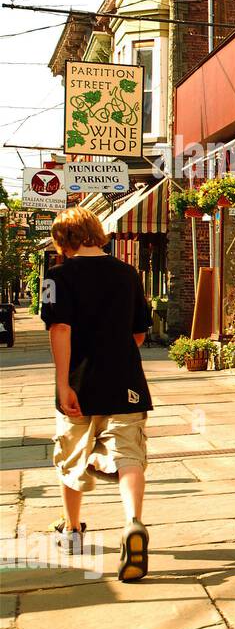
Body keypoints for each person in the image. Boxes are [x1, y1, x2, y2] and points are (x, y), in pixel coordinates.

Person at [40, 207, 152, 582]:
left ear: (62, 240)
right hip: (125, 380)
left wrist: (63, 384)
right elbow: (139, 334)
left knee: (71, 455)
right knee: (129, 455)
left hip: (79, 382)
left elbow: (60, 329)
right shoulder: (128, 273)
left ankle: (73, 529)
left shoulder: (56, 277)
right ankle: (133, 522)